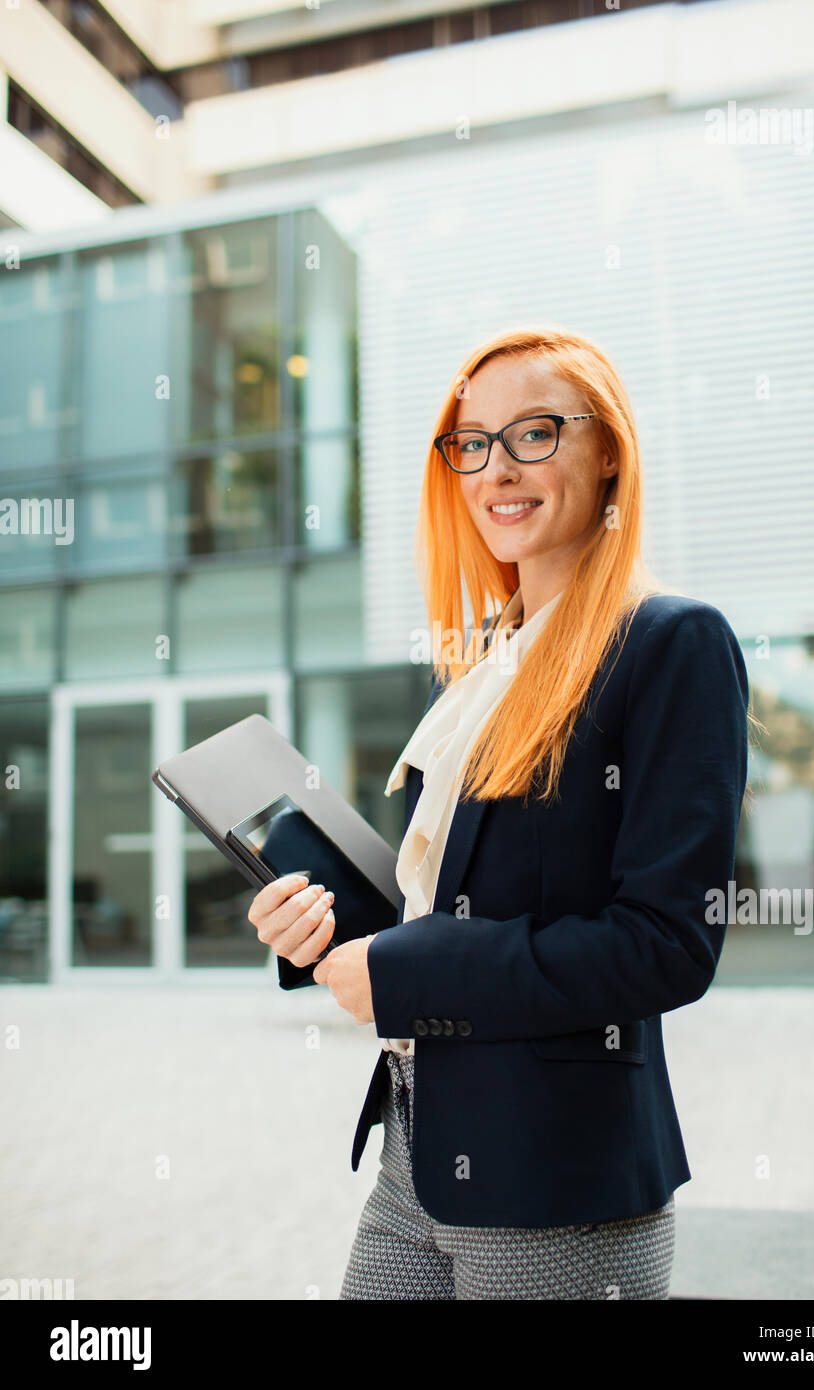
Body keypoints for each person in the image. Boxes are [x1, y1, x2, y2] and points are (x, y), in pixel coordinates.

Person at [247, 327, 750, 1300]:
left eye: (534, 433)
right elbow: (456, 904)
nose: (496, 470)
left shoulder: (671, 643)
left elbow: (664, 945)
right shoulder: (483, 662)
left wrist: (402, 971)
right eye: (471, 443)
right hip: (415, 1148)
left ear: (608, 451)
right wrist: (326, 926)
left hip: (558, 1182)